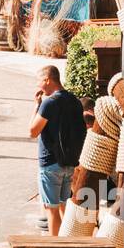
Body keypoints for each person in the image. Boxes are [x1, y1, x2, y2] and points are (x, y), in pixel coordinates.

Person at [29, 65, 87, 235]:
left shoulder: (49, 103)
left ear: (47, 80)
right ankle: (67, 243)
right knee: (63, 206)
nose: (38, 85)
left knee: (51, 209)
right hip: (69, 163)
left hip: (50, 164)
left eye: (39, 81)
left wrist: (36, 106)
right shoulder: (75, 101)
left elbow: (32, 131)